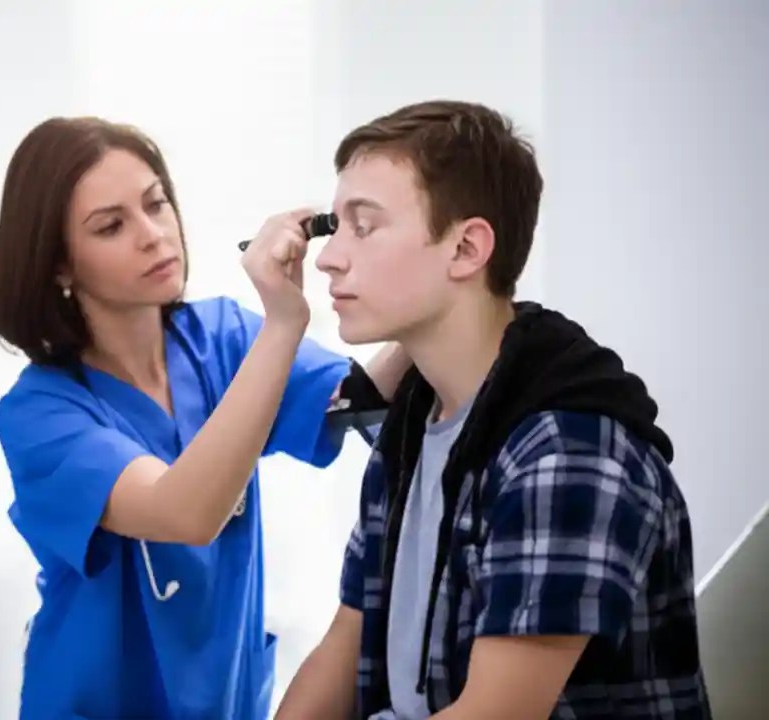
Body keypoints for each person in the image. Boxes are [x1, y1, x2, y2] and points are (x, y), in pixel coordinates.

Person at [276, 100, 711, 719]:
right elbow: (341, 651)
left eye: (364, 226)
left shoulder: (568, 454)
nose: (327, 257)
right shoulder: (411, 425)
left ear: (466, 248)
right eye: (333, 226)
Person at [0, 116, 410, 719]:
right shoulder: (41, 414)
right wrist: (285, 320)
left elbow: (357, 399)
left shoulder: (221, 339)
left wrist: (429, 301)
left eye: (156, 204)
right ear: (58, 265)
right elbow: (184, 513)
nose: (153, 234)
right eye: (111, 226)